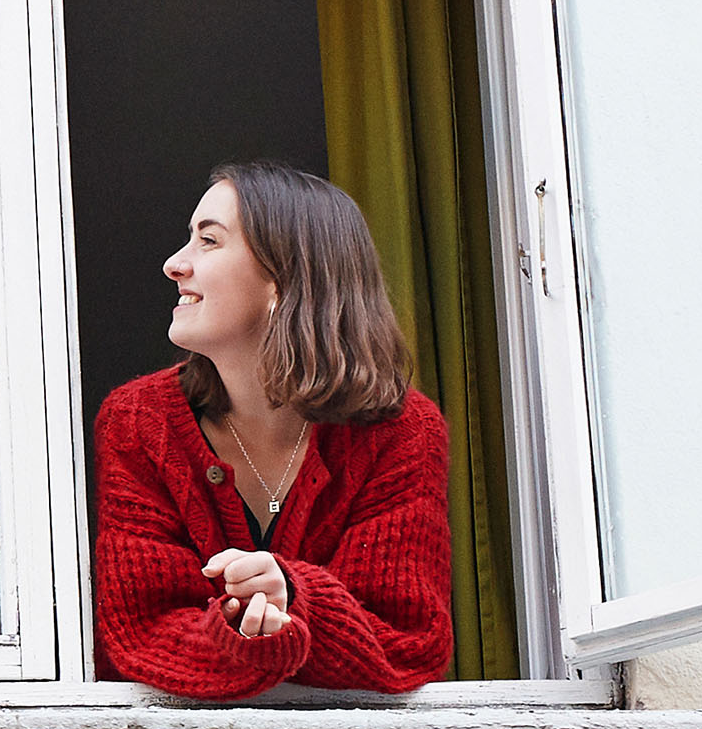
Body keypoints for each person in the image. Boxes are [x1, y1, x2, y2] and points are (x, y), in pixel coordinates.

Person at [92, 160, 452, 698]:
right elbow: (139, 632)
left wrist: (294, 597)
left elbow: (405, 640)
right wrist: (245, 639)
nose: (174, 264)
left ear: (284, 278)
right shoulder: (138, 422)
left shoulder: (401, 433)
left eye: (208, 242)